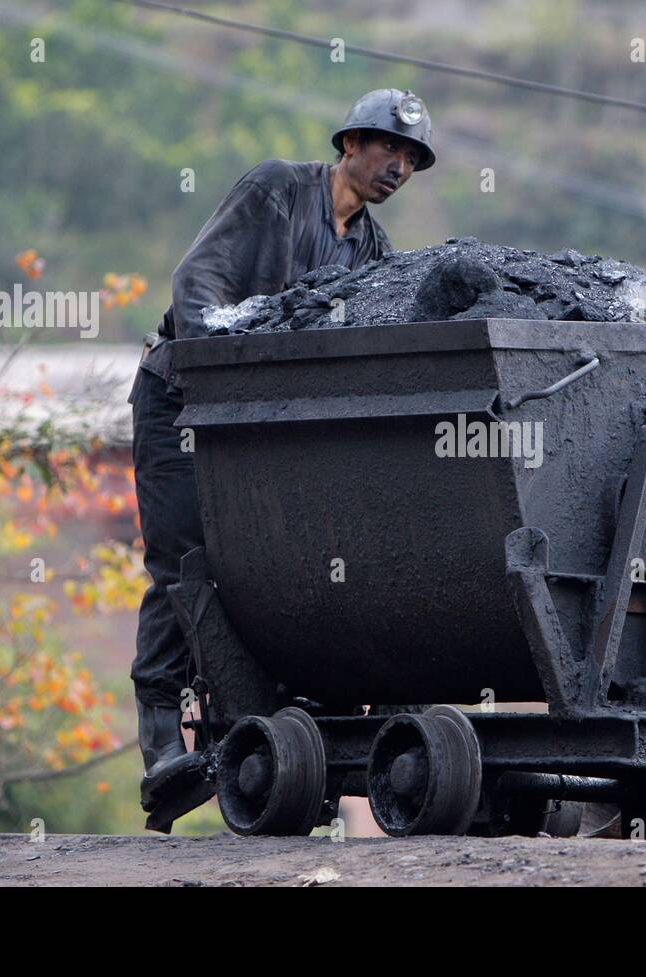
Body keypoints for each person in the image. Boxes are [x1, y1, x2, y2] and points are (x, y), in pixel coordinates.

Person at [128, 89, 436, 801]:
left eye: (412, 159)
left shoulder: (374, 250)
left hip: (264, 422)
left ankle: (268, 727)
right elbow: (195, 282)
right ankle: (159, 744)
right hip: (183, 396)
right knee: (184, 558)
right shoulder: (276, 189)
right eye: (388, 147)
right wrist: (222, 372)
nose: (398, 166)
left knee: (276, 560)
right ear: (349, 144)